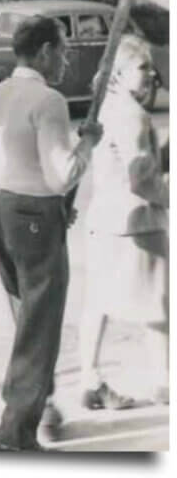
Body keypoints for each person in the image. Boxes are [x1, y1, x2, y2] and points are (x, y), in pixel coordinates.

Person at [0, 15, 103, 451]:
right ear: (45, 51)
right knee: (39, 325)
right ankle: (15, 430)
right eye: (63, 50)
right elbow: (61, 173)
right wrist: (88, 143)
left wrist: (33, 198)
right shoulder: (47, 101)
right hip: (34, 215)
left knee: (25, 317)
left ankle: (35, 409)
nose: (65, 60)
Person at [79, 34, 169, 408]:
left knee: (97, 302)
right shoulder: (133, 115)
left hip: (104, 218)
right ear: (119, 72)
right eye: (142, 67)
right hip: (139, 222)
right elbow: (141, 178)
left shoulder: (106, 109)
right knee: (160, 305)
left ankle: (89, 377)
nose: (151, 74)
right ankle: (164, 381)